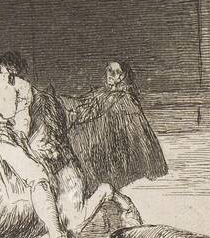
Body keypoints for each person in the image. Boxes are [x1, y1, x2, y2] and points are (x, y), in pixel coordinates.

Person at [0, 50, 70, 238]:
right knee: (38, 176)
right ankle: (56, 233)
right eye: (10, 67)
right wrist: (21, 137)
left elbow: (21, 117)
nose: (11, 71)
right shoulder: (15, 86)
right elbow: (19, 117)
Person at [64, 60, 169, 192]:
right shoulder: (101, 93)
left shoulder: (125, 98)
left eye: (117, 72)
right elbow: (86, 106)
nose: (112, 75)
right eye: (109, 71)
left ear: (123, 76)